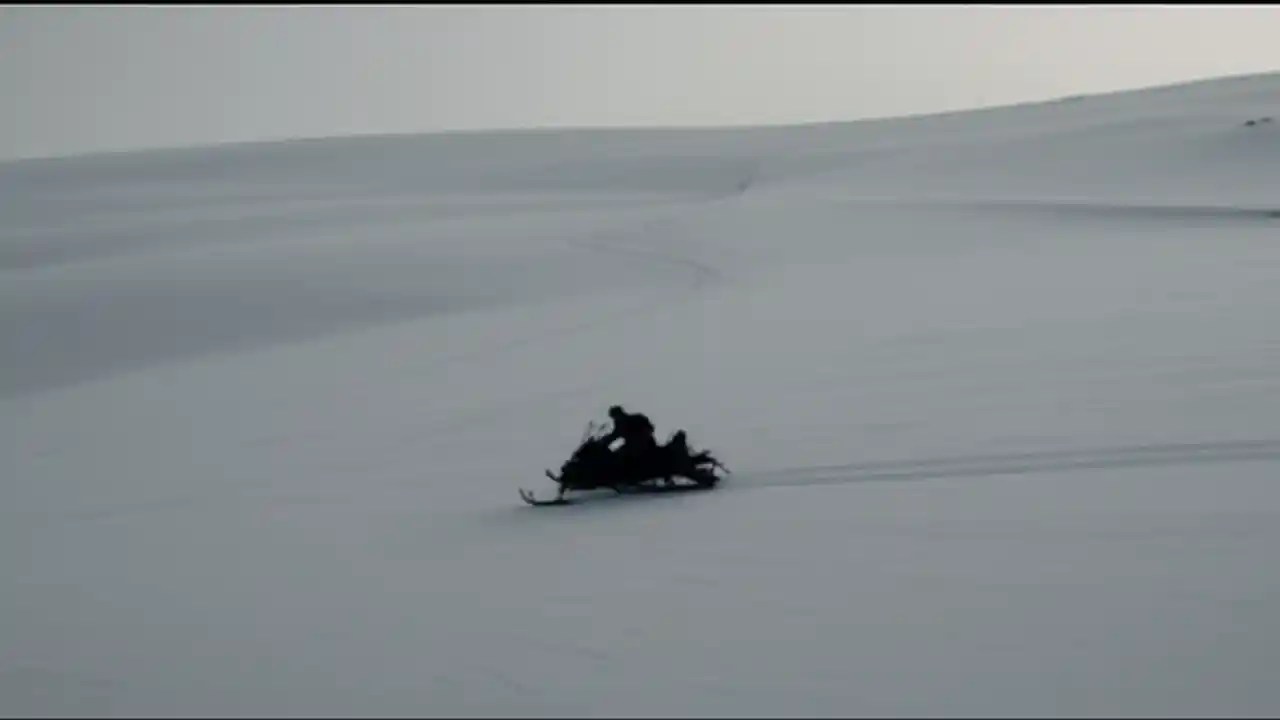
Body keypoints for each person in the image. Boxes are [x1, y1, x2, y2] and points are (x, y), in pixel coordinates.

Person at [602, 405, 659, 477]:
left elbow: (649, 429)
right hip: (632, 445)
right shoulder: (621, 422)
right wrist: (603, 441)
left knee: (623, 456)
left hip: (643, 445)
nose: (614, 419)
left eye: (614, 416)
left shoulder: (635, 419)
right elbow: (615, 435)